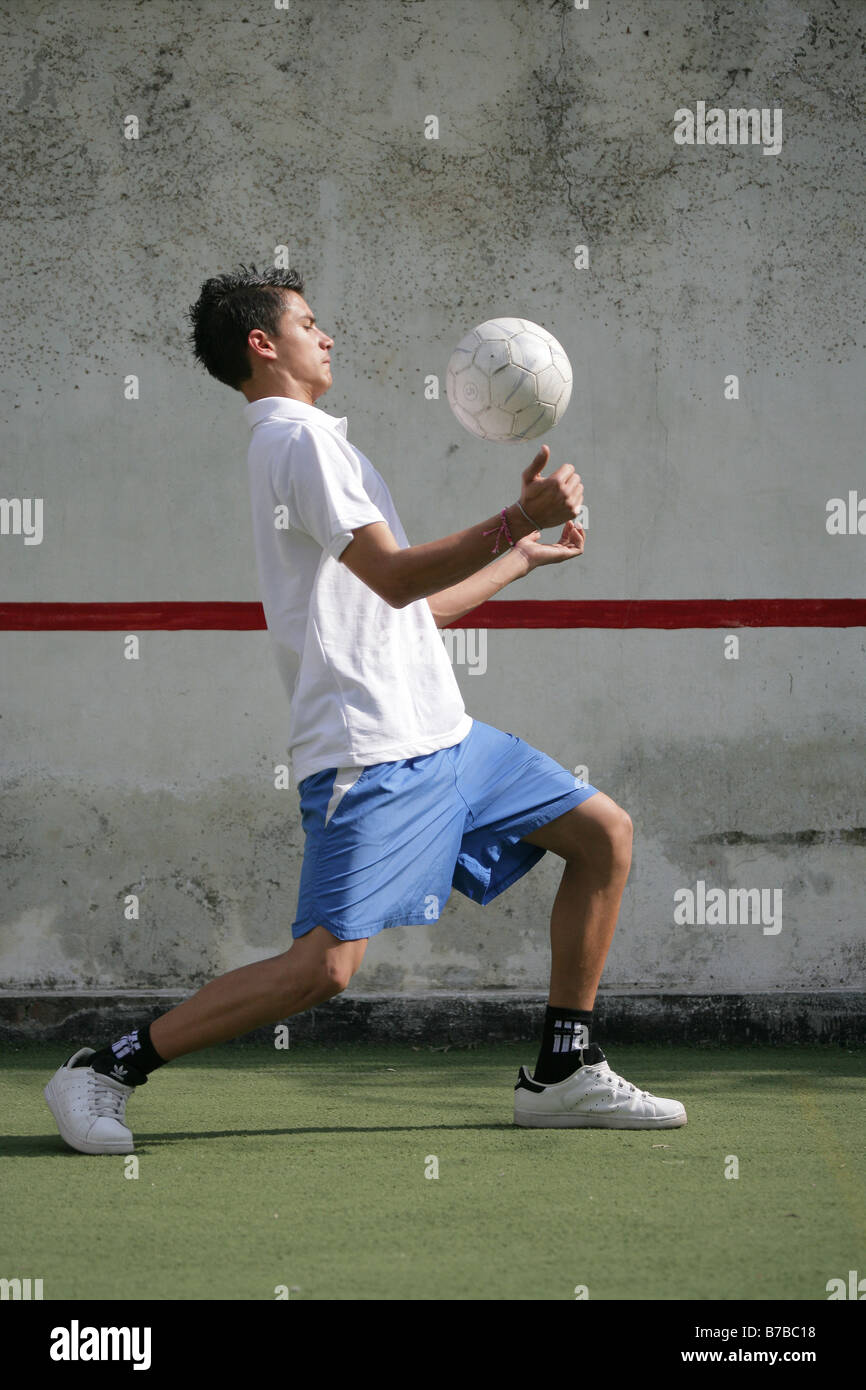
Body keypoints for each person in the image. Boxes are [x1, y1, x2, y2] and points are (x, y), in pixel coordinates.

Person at [44, 265, 685, 1153]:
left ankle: (564, 1073)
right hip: (373, 753)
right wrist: (511, 517)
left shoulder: (317, 444)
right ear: (263, 345)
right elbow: (393, 574)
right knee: (322, 971)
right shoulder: (296, 443)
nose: (328, 335)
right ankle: (104, 1068)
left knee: (601, 834)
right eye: (310, 323)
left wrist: (519, 558)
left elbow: (404, 612)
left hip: (450, 739)